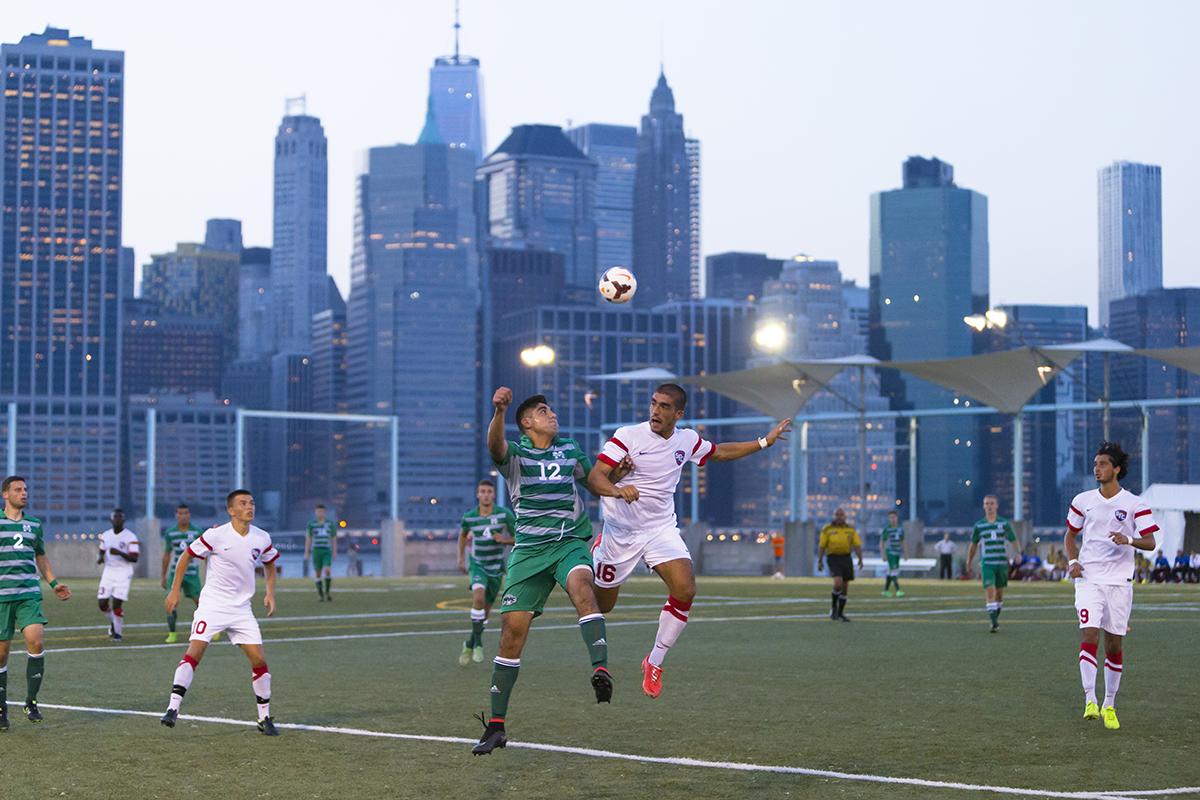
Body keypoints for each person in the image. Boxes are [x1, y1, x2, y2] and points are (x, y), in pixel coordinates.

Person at [588, 383, 791, 698]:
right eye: (654, 403)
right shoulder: (627, 436)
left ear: (678, 413)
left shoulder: (687, 440)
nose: (656, 411)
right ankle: (599, 548)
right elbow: (595, 477)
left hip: (660, 529)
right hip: (620, 532)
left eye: (664, 406)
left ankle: (654, 662)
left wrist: (765, 441)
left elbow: (720, 452)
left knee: (685, 588)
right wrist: (617, 488)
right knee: (603, 606)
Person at [472, 389, 636, 756]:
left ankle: (601, 670)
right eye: (543, 411)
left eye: (551, 409)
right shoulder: (516, 454)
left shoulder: (570, 449)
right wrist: (499, 411)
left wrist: (615, 486)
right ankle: (496, 726)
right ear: (527, 422)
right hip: (529, 552)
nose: (552, 414)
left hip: (568, 543)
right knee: (511, 635)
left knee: (582, 586)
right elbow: (494, 446)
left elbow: (592, 480)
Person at [160, 489, 280, 735]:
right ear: (231, 510)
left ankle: (264, 718)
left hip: (241, 609)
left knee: (259, 661)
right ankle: (173, 708)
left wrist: (270, 593)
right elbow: (185, 557)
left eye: (252, 502)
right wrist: (173, 591)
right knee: (195, 651)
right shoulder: (215, 535)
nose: (250, 506)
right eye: (243, 503)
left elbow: (270, 563)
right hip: (213, 605)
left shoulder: (262, 537)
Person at [1065, 441, 1159, 731]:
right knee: (1089, 634)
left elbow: (1151, 542)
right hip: (1089, 579)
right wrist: (1072, 562)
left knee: (1114, 644)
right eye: (1095, 464)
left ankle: (1110, 704)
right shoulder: (1083, 500)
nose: (1097, 468)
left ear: (1117, 469)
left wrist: (1128, 539)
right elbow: (1070, 536)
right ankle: (1090, 699)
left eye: (1103, 464)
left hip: (1119, 582)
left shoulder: (1134, 504)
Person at [0, 475, 71, 729]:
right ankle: (1, 708)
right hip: (2, 597)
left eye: (26, 489)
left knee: (36, 641)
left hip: (28, 594)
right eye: (18, 489)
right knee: (1, 654)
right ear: (5, 495)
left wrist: (54, 583)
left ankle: (31, 701)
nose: (24, 493)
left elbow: (41, 556)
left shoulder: (34, 524)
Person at [457, 479, 517, 666]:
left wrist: (504, 539)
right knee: (478, 598)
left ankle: (470, 642)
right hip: (477, 565)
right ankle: (479, 644)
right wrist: (460, 558)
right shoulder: (469, 516)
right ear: (477, 494)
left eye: (489, 491)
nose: (485, 494)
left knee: (485, 613)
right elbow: (462, 534)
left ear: (493, 494)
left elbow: (519, 537)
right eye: (482, 491)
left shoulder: (504, 514)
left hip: (495, 568)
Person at [965, 495, 1021, 633]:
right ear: (983, 506)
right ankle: (994, 623)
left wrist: (1018, 553)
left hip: (1001, 563)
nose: (989, 506)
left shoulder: (1004, 523)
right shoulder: (979, 525)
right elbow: (973, 545)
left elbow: (1013, 539)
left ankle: (995, 617)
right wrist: (969, 561)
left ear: (996, 506)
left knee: (999, 595)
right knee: (990, 591)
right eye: (986, 503)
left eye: (992, 503)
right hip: (987, 564)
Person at [161, 503, 204, 644]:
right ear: (176, 515)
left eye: (186, 513)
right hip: (175, 573)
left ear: (189, 514)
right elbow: (167, 554)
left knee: (202, 602)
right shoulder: (170, 533)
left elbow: (207, 553)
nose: (183, 516)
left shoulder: (197, 532)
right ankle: (172, 633)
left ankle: (211, 630)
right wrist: (163, 575)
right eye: (180, 513)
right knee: (171, 602)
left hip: (192, 573)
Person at [96, 509, 139, 642]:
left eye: (120, 517)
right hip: (108, 571)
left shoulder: (130, 537)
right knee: (102, 603)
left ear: (123, 520)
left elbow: (134, 558)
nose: (117, 519)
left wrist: (120, 552)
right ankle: (114, 623)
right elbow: (102, 550)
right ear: (111, 519)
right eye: (115, 517)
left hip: (123, 572)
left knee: (116, 604)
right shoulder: (106, 535)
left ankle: (117, 633)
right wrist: (100, 558)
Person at [817, 508, 863, 621]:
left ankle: (841, 613)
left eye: (841, 515)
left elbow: (857, 545)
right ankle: (833, 608)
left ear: (845, 517)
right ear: (834, 516)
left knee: (845, 587)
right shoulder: (827, 529)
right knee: (838, 583)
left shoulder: (851, 530)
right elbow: (822, 545)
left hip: (846, 558)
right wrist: (820, 560)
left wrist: (860, 558)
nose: (839, 517)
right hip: (833, 558)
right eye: (837, 515)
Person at [305, 504, 337, 601]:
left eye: (322, 511)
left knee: (327, 570)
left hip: (326, 550)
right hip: (316, 551)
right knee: (318, 573)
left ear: (325, 512)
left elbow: (334, 538)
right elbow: (308, 538)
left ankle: (327, 593)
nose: (320, 513)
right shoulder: (311, 524)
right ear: (315, 512)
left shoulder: (330, 524)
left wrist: (334, 551)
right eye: (318, 511)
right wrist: (307, 551)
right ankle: (321, 594)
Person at [879, 511, 905, 597]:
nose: (892, 519)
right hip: (890, 553)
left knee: (890, 572)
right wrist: (883, 554)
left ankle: (886, 591)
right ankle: (898, 590)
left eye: (894, 517)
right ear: (888, 519)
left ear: (897, 518)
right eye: (891, 517)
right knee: (894, 571)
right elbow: (882, 542)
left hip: (897, 553)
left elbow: (903, 541)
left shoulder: (900, 529)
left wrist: (905, 553)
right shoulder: (887, 529)